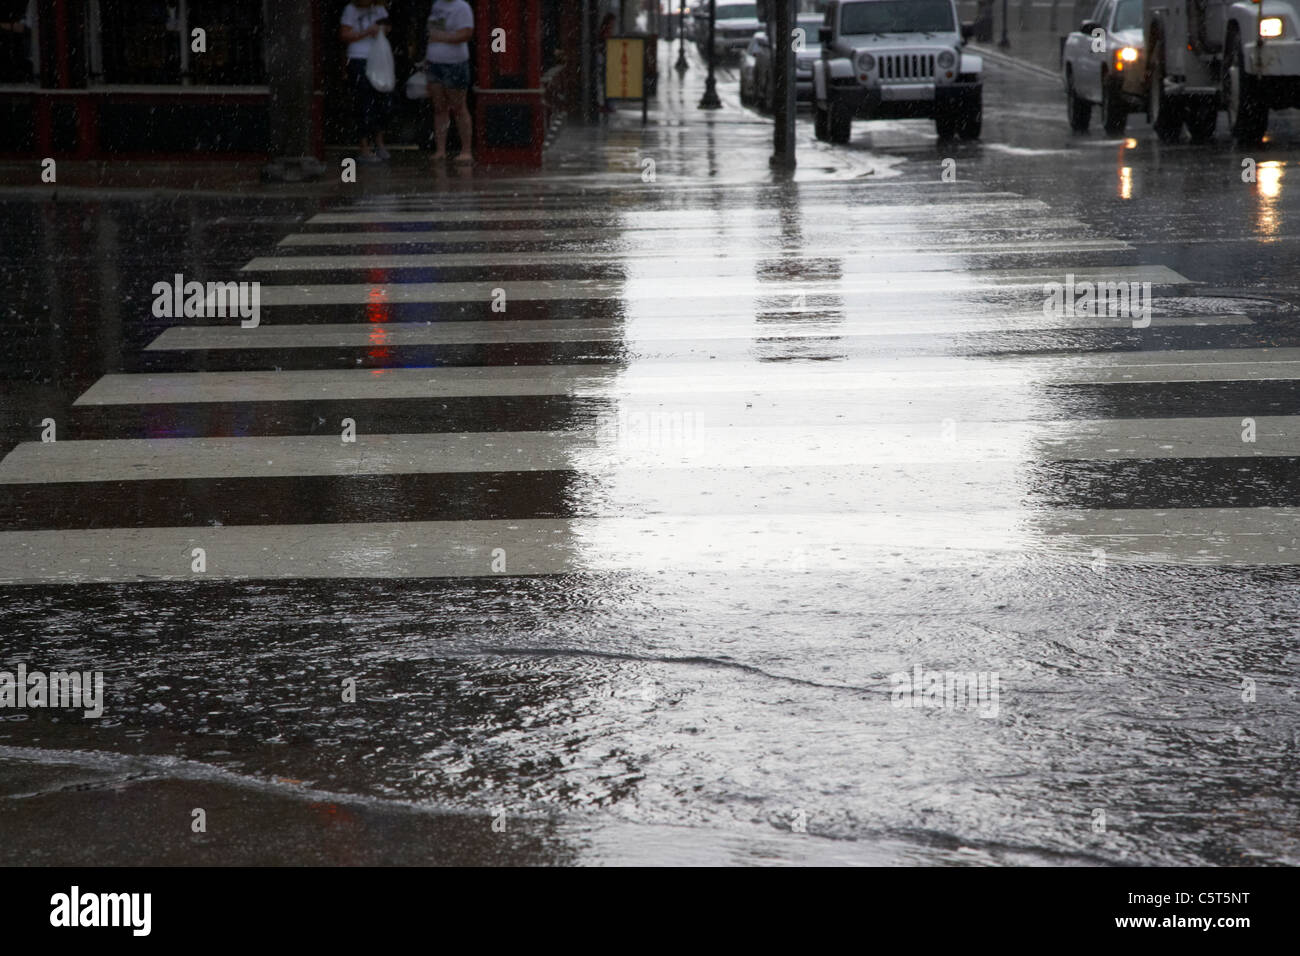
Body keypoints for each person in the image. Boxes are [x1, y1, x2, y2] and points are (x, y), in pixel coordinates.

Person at [340, 1, 392, 164]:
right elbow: (344, 34)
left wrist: (382, 30)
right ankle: (364, 146)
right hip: (359, 57)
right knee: (363, 102)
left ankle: (379, 142)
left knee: (382, 100)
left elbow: (388, 27)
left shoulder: (379, 8)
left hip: (378, 57)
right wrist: (366, 32)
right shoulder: (350, 9)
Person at [426, 0, 475, 164]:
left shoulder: (462, 7)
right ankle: (440, 150)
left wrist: (442, 37)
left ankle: (466, 150)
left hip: (454, 63)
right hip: (434, 61)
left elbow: (467, 33)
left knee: (459, 106)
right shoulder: (437, 5)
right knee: (439, 107)